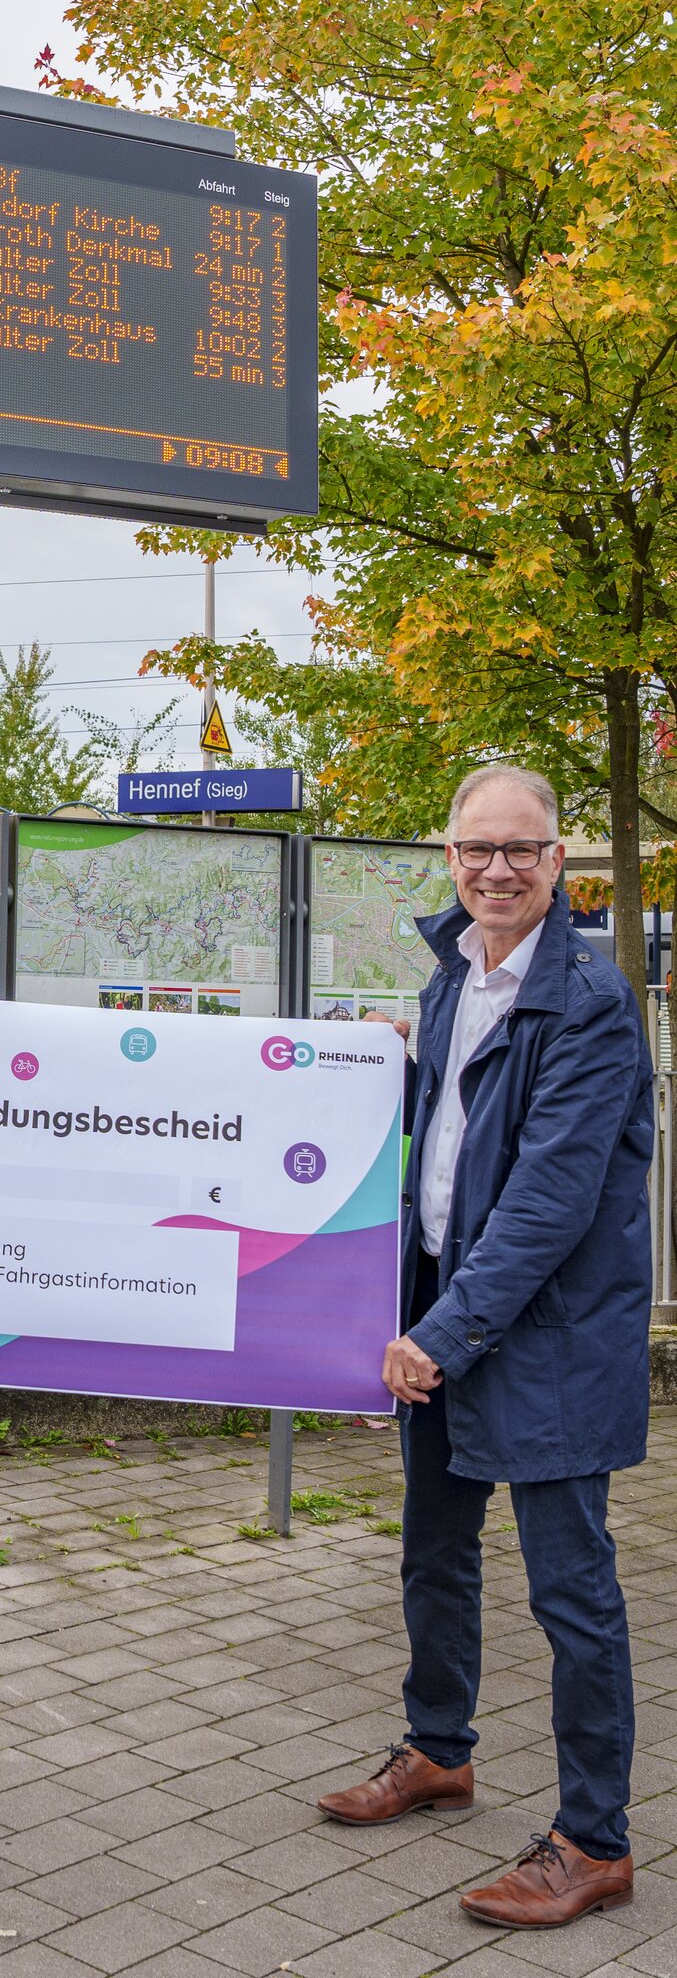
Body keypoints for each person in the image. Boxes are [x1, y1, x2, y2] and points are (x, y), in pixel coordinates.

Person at [317, 765, 653, 1929]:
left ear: (561, 864)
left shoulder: (591, 1000)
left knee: (574, 1592)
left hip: (547, 1337)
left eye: (523, 850)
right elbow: (454, 1145)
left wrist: (439, 1336)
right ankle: (438, 1747)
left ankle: (593, 1839)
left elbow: (549, 1201)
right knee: (434, 1551)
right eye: (476, 850)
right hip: (449, 1322)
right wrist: (379, 1073)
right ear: (449, 859)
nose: (498, 870)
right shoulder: (454, 977)